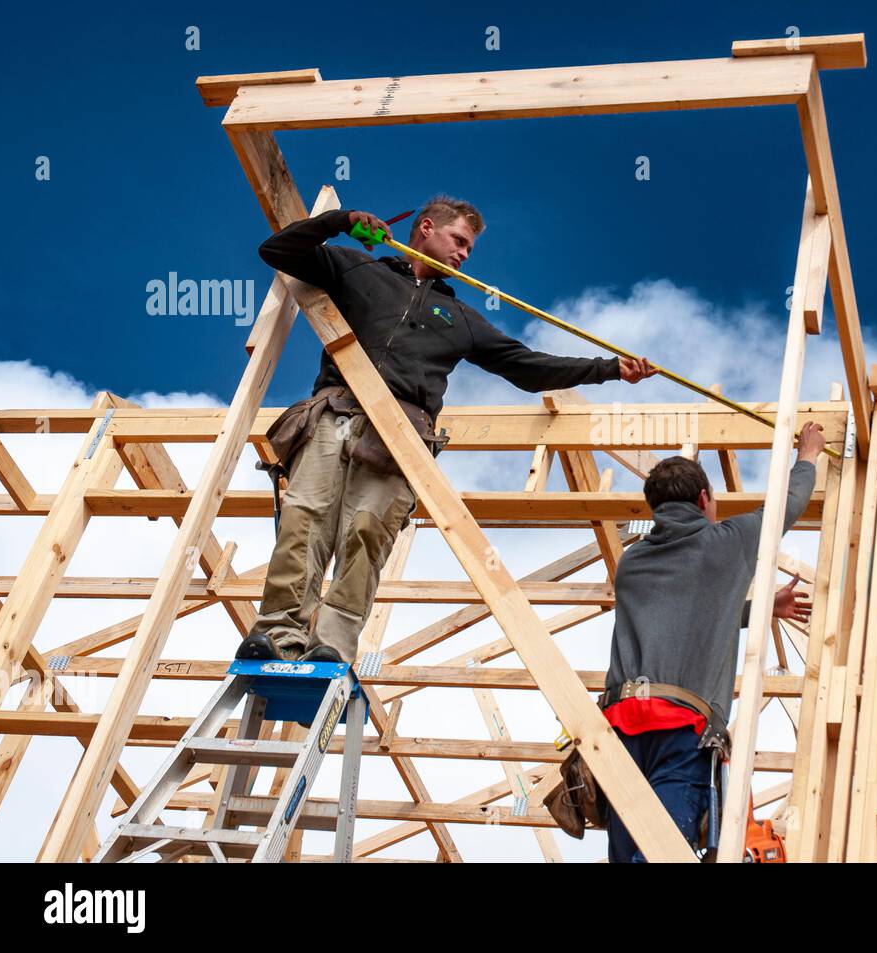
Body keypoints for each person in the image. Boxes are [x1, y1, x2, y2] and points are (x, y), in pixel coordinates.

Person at [236, 196, 658, 664]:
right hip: (335, 413)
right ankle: (277, 633)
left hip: (397, 438)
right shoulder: (357, 269)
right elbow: (277, 251)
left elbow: (530, 367)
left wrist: (611, 369)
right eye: (458, 241)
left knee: (367, 534)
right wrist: (340, 221)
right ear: (426, 227)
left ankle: (331, 644)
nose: (463, 254)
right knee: (304, 520)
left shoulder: (460, 319)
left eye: (469, 249)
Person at [600, 422, 825, 861]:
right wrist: (809, 455)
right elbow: (786, 505)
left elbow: (677, 613)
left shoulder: (632, 561)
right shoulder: (727, 542)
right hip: (681, 729)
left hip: (619, 727)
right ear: (705, 499)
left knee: (628, 852)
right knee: (663, 852)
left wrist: (754, 610)